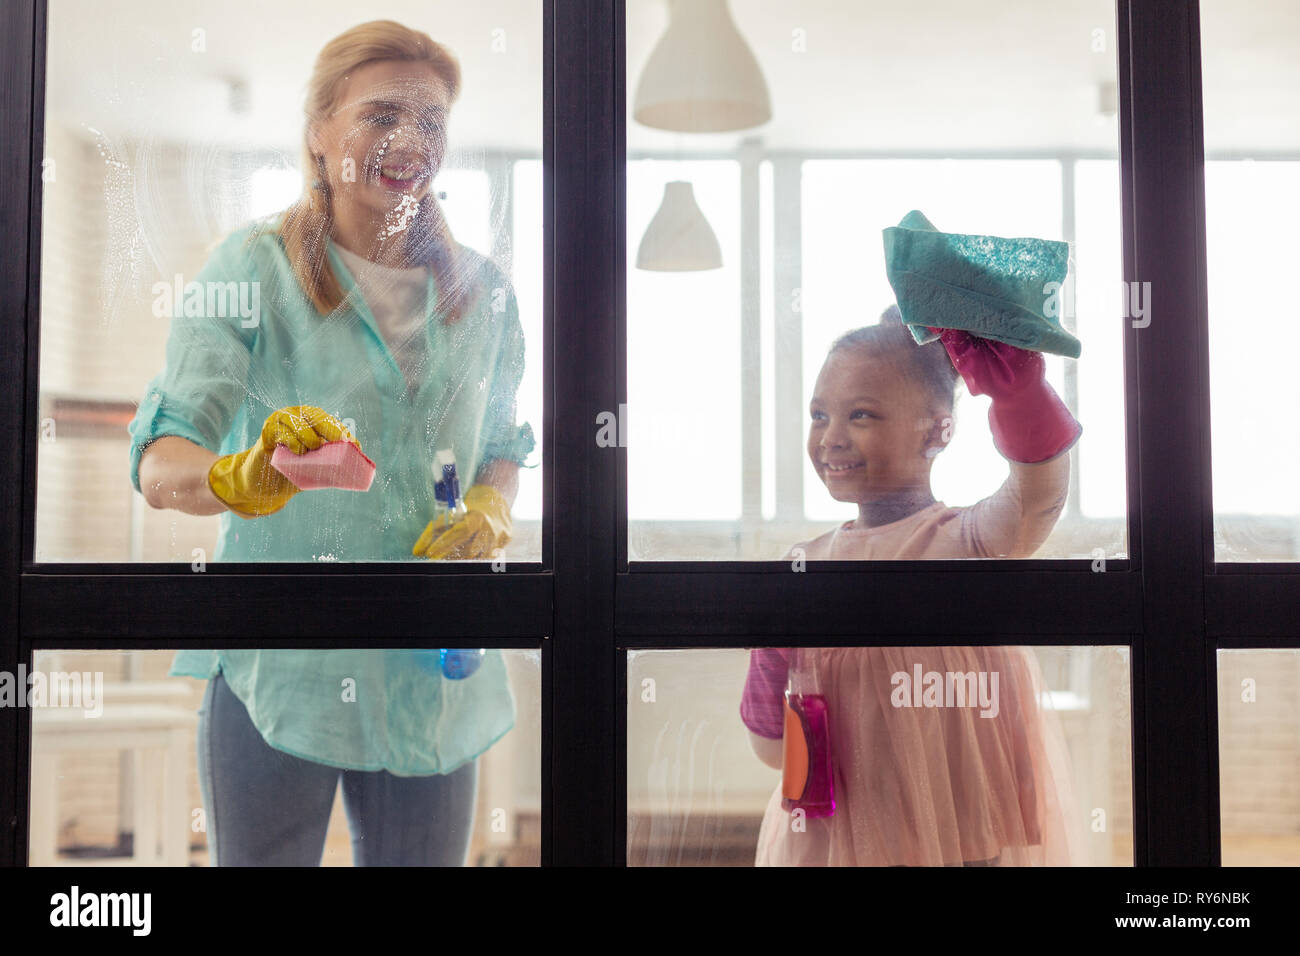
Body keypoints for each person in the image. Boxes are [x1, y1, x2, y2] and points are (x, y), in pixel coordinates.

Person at [127, 21, 535, 865]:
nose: (409, 141)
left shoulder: (485, 294)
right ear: (318, 132)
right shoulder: (253, 269)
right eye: (381, 114)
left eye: (430, 121)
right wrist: (246, 475)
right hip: (283, 667)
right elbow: (162, 465)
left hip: (431, 666)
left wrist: (494, 503)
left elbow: (502, 442)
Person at [740, 306, 1083, 866]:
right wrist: (771, 657)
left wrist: (1021, 395)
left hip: (965, 838)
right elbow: (771, 747)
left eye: (862, 416)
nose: (831, 437)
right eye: (819, 414)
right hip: (843, 839)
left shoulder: (966, 542)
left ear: (938, 429)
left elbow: (1036, 497)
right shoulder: (802, 568)